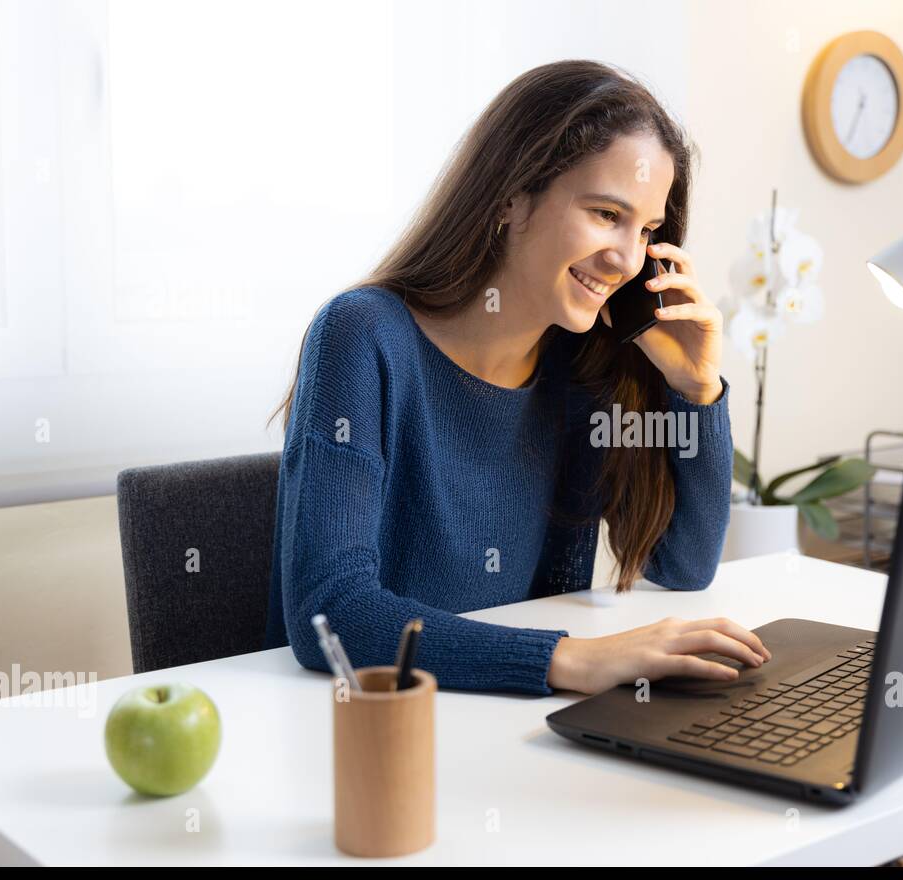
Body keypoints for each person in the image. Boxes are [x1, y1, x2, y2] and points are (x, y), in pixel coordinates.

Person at [264, 60, 770, 696]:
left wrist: (696, 391)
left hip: (513, 722)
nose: (627, 259)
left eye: (646, 230)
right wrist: (570, 660)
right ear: (511, 196)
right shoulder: (363, 335)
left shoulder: (582, 365)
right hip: (371, 726)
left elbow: (685, 565)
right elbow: (332, 615)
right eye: (605, 213)